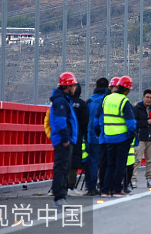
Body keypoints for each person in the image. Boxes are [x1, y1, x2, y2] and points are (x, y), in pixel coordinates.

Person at [100, 76, 136, 197]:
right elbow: (131, 123)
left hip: (108, 136)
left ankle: (105, 190)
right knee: (120, 164)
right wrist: (132, 135)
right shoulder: (124, 101)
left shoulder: (107, 99)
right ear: (127, 90)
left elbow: (101, 117)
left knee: (110, 164)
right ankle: (117, 189)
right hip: (122, 137)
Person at [49, 72, 79, 208]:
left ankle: (61, 195)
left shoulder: (63, 99)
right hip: (63, 140)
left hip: (64, 138)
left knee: (64, 167)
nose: (74, 89)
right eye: (73, 86)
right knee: (61, 167)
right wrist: (65, 138)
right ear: (67, 87)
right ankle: (59, 196)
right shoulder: (61, 101)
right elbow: (61, 122)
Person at [84, 77, 109, 196]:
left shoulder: (89, 101)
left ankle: (91, 187)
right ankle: (104, 185)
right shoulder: (107, 100)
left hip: (92, 136)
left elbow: (85, 120)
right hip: (106, 136)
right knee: (105, 162)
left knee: (92, 162)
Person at [68, 83, 89, 191]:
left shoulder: (62, 101)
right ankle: (71, 186)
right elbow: (85, 122)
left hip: (63, 136)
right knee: (74, 160)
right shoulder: (81, 104)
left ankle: (59, 186)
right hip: (77, 136)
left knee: (62, 160)